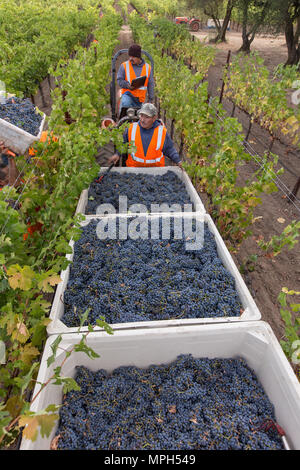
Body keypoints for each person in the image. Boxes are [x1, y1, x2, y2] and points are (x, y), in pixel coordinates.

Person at [108, 103, 183, 168]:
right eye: (141, 115)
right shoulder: (131, 129)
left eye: (147, 117)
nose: (142, 120)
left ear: (154, 118)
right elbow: (123, 144)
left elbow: (169, 149)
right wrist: (117, 154)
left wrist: (178, 161)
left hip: (156, 172)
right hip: (134, 170)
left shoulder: (161, 131)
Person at [117, 44, 154, 115]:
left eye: (133, 57)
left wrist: (150, 99)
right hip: (128, 95)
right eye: (130, 56)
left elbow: (150, 83)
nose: (131, 58)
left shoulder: (147, 68)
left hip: (140, 100)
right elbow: (119, 80)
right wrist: (128, 85)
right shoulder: (124, 66)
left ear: (139, 57)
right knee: (126, 105)